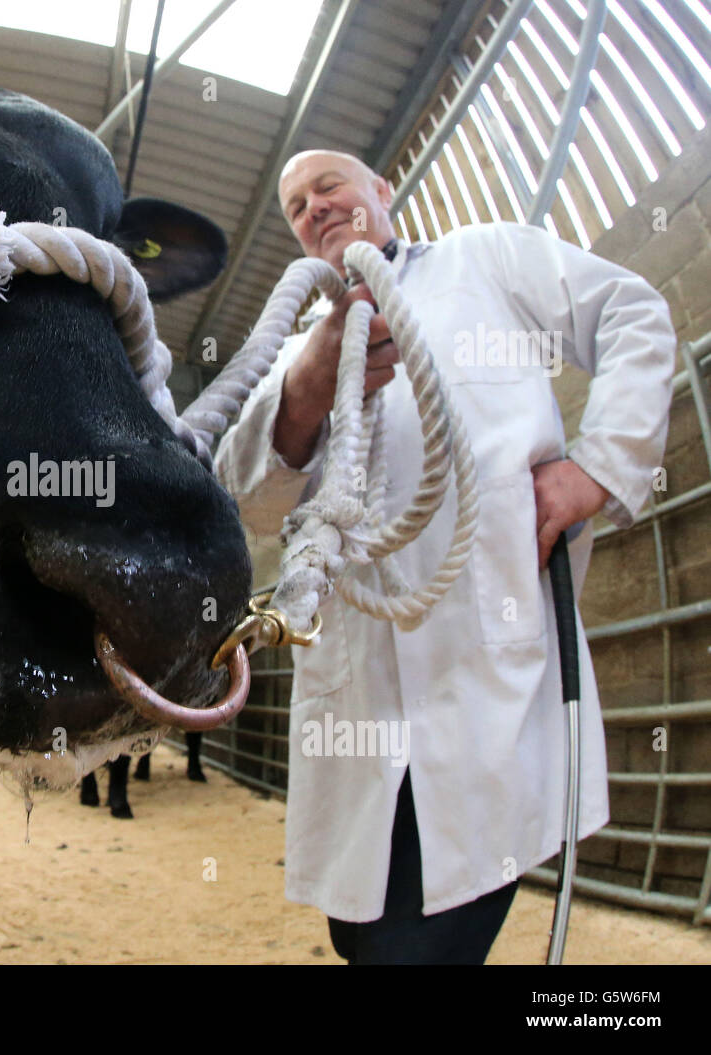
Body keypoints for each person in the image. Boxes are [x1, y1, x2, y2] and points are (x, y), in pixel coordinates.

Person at [214, 149, 676, 964]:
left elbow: (630, 310)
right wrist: (310, 387)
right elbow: (247, 497)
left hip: (487, 689)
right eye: (295, 206)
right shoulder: (295, 347)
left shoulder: (486, 258)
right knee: (360, 937)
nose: (314, 207)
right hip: (358, 713)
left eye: (329, 186)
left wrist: (599, 465)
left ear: (382, 192)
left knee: (419, 948)